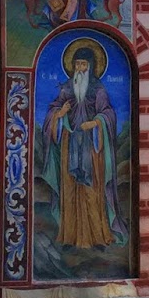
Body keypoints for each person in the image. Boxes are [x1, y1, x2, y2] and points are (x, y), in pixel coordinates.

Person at [37, 42, 120, 248]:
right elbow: (53, 111)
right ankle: (69, 236)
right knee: (70, 188)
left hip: (92, 145)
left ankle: (98, 236)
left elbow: (109, 113)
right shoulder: (66, 88)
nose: (80, 68)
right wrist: (60, 114)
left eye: (83, 64)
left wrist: (96, 122)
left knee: (92, 189)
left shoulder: (98, 90)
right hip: (69, 142)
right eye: (77, 64)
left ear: (91, 66)